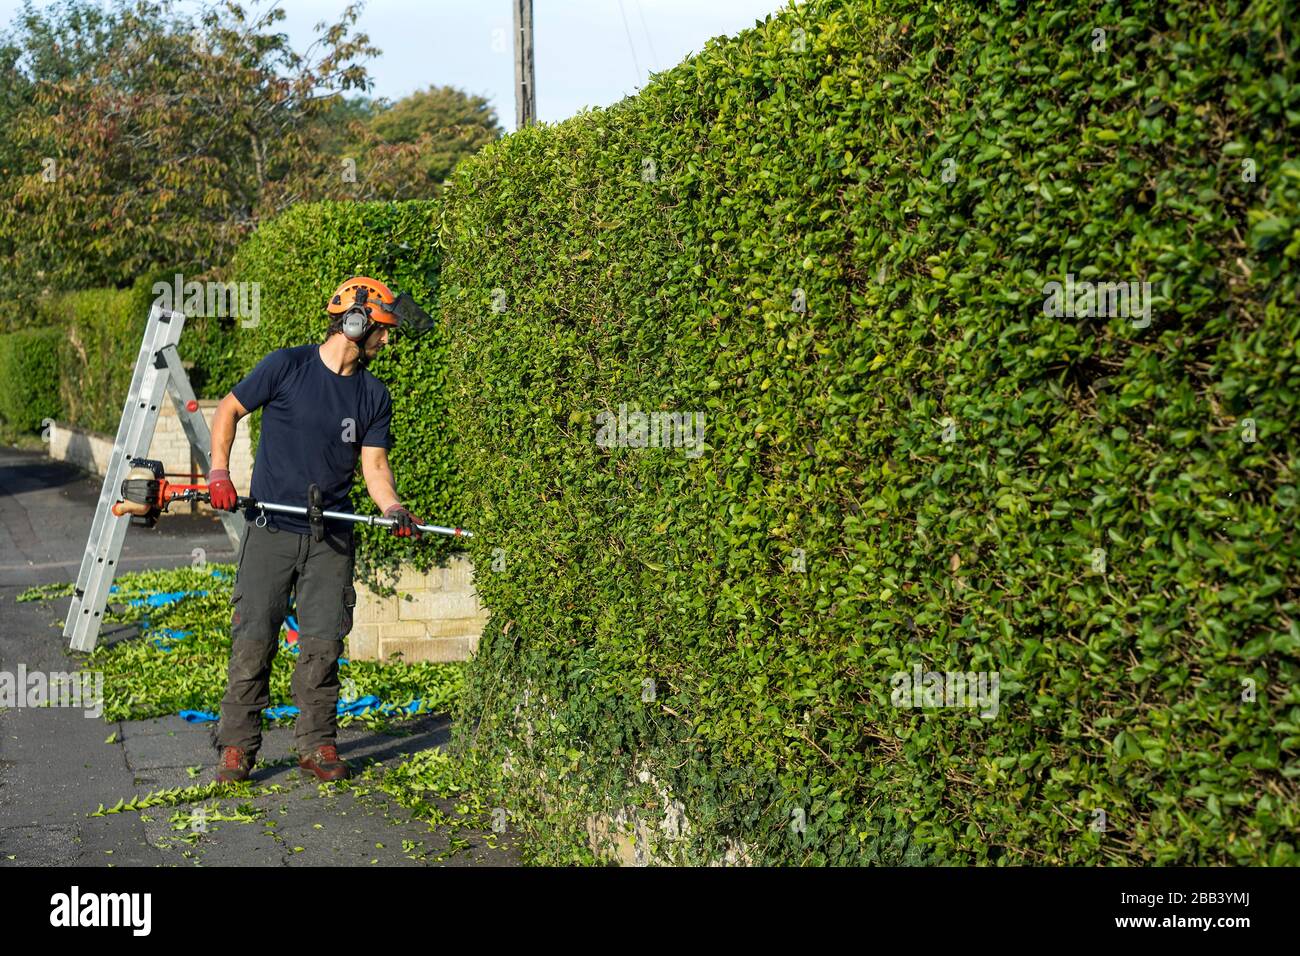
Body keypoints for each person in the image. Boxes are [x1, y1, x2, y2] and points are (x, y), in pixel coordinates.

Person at [206, 276, 426, 783]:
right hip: (271, 528)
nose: (387, 341)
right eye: (383, 331)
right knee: (253, 637)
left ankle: (318, 746)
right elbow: (228, 409)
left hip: (331, 535)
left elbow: (374, 467)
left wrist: (393, 507)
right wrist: (219, 472)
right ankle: (237, 746)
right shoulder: (287, 366)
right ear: (356, 323)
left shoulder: (374, 394)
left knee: (324, 644)